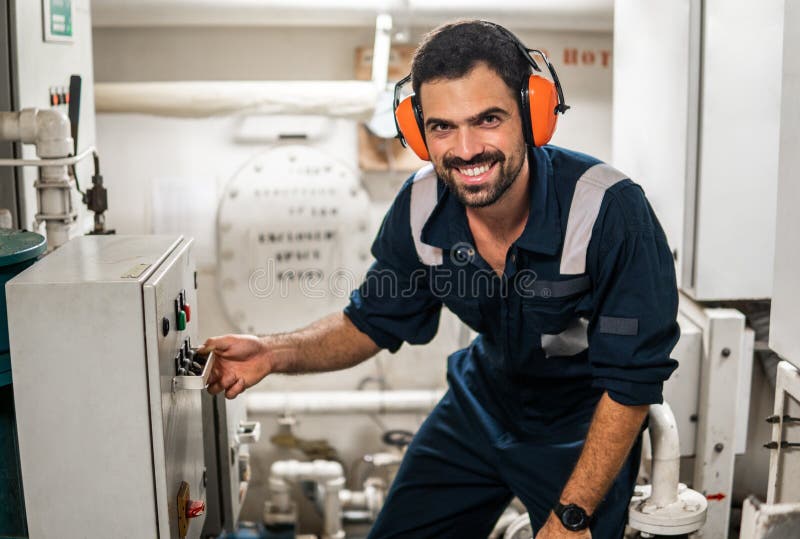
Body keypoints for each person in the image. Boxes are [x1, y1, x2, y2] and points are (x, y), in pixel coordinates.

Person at [202, 19, 679, 539]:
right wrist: (273, 353)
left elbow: (631, 384)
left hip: (581, 429)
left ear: (532, 114)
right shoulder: (421, 207)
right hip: (478, 408)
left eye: (488, 119)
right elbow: (370, 322)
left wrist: (571, 518)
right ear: (416, 131)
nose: (466, 149)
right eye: (442, 127)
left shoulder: (608, 211)